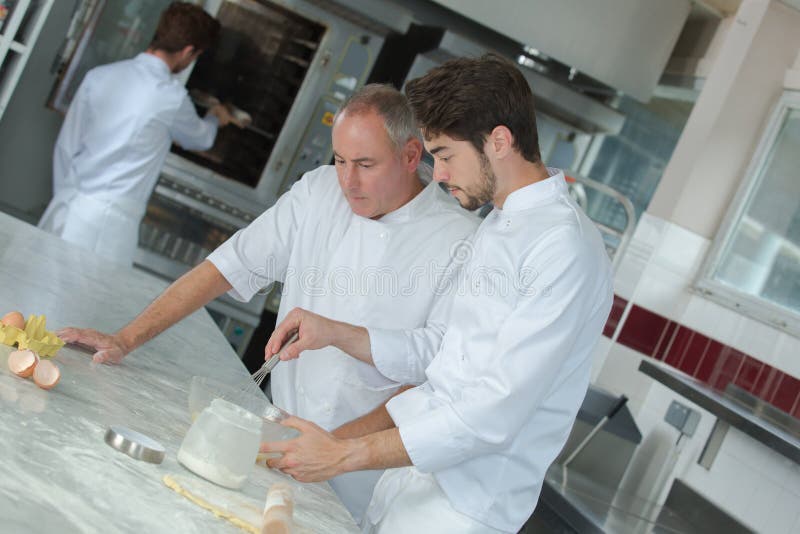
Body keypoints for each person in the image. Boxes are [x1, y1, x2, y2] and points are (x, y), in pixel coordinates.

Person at [58, 83, 479, 522]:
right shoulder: (318, 192)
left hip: (356, 478)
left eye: (365, 164)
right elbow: (227, 266)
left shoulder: (459, 242)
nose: (348, 181)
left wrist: (334, 448)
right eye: (340, 160)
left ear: (411, 155)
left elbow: (432, 381)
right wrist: (125, 340)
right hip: (273, 446)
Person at [260, 54, 614, 534]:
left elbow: (494, 413)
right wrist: (337, 333)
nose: (439, 175)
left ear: (499, 141)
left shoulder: (563, 247)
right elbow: (443, 355)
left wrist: (344, 454)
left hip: (464, 507)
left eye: (446, 155)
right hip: (410, 483)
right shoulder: (500, 223)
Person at [38, 2, 239, 266]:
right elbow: (201, 139)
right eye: (195, 56)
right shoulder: (171, 97)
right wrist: (215, 117)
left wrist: (68, 197)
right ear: (188, 51)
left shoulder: (99, 76)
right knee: (87, 291)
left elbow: (66, 148)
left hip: (66, 209)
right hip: (107, 227)